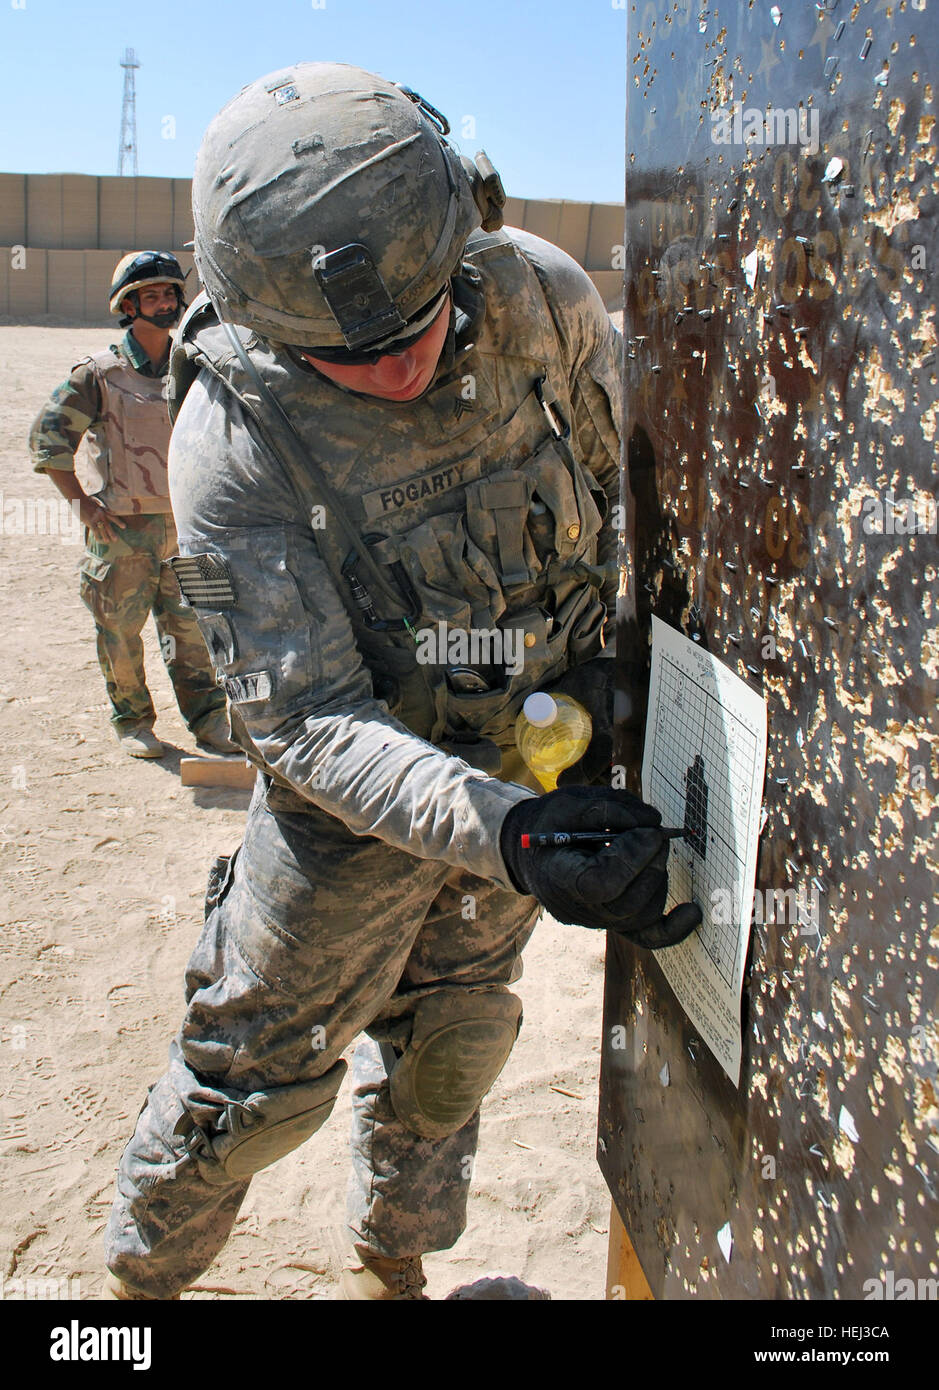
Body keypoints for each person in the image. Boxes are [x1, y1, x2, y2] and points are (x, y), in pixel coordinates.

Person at [102, 63, 701, 1301]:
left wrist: (594, 716)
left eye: (417, 326)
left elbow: (611, 500)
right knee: (246, 1088)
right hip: (350, 838)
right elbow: (310, 722)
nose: (390, 371)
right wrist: (514, 834)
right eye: (346, 356)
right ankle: (135, 1295)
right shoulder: (236, 436)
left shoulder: (537, 295)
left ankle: (394, 1272)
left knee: (452, 1048)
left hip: (531, 765)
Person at [28, 251, 236, 757]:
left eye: (169, 294)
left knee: (197, 629)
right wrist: (82, 505)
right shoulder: (98, 374)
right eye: (151, 296)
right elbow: (49, 440)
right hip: (122, 529)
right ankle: (133, 722)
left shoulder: (196, 367)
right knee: (120, 632)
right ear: (128, 304)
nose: (164, 303)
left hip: (190, 528)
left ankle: (210, 721)